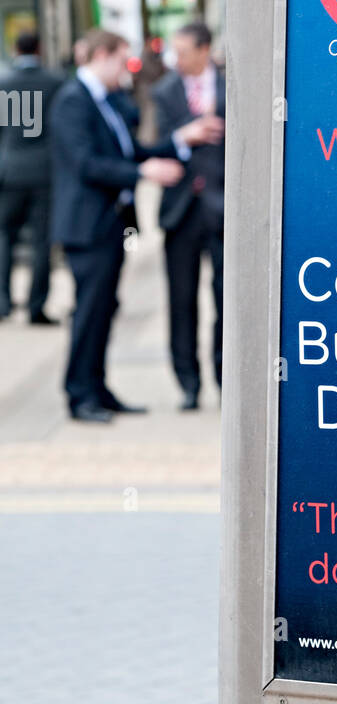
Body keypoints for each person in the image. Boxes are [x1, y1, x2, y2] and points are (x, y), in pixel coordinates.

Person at [50, 28, 222, 423]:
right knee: (89, 311)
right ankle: (79, 395)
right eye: (121, 60)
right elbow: (86, 164)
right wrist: (142, 172)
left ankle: (97, 387)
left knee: (105, 308)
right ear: (102, 56)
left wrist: (178, 140)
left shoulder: (106, 101)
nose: (127, 71)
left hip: (110, 225)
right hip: (86, 226)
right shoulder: (72, 102)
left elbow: (133, 150)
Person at [150, 22, 226, 411]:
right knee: (181, 301)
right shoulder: (163, 91)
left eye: (182, 52)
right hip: (180, 211)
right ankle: (188, 382)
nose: (175, 59)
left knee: (226, 300)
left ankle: (224, 378)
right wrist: (186, 135)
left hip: (224, 209)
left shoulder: (235, 86)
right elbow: (153, 145)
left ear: (204, 50)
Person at [0, 31, 64, 324]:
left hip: (10, 171)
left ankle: (3, 302)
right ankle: (36, 306)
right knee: (42, 241)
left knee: (4, 237)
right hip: (44, 173)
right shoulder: (54, 82)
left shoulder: (4, 84)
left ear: (16, 49)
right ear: (39, 48)